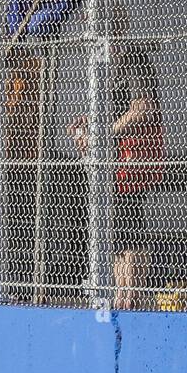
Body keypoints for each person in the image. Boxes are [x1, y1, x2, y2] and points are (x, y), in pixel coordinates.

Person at [67, 39, 164, 309]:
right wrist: (90, 123)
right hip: (119, 154)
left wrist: (101, 134)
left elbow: (142, 108)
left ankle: (129, 295)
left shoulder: (133, 61)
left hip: (134, 153)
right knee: (120, 224)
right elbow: (116, 111)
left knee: (127, 220)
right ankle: (125, 291)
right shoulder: (113, 68)